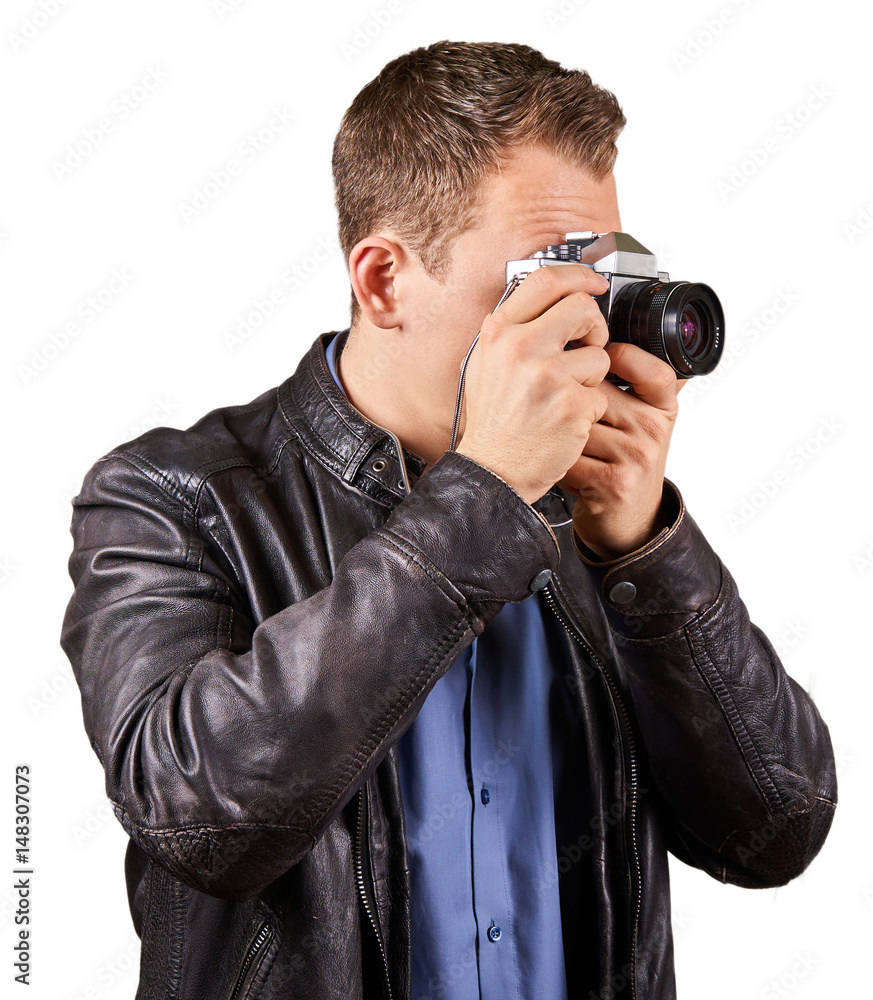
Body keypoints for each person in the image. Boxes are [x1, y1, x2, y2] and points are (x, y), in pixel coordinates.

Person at [60, 40, 836, 1000]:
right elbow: (202, 818)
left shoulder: (590, 518)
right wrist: (482, 496)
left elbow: (775, 835)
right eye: (541, 282)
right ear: (384, 280)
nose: (582, 327)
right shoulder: (175, 497)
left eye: (600, 279)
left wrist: (644, 551)